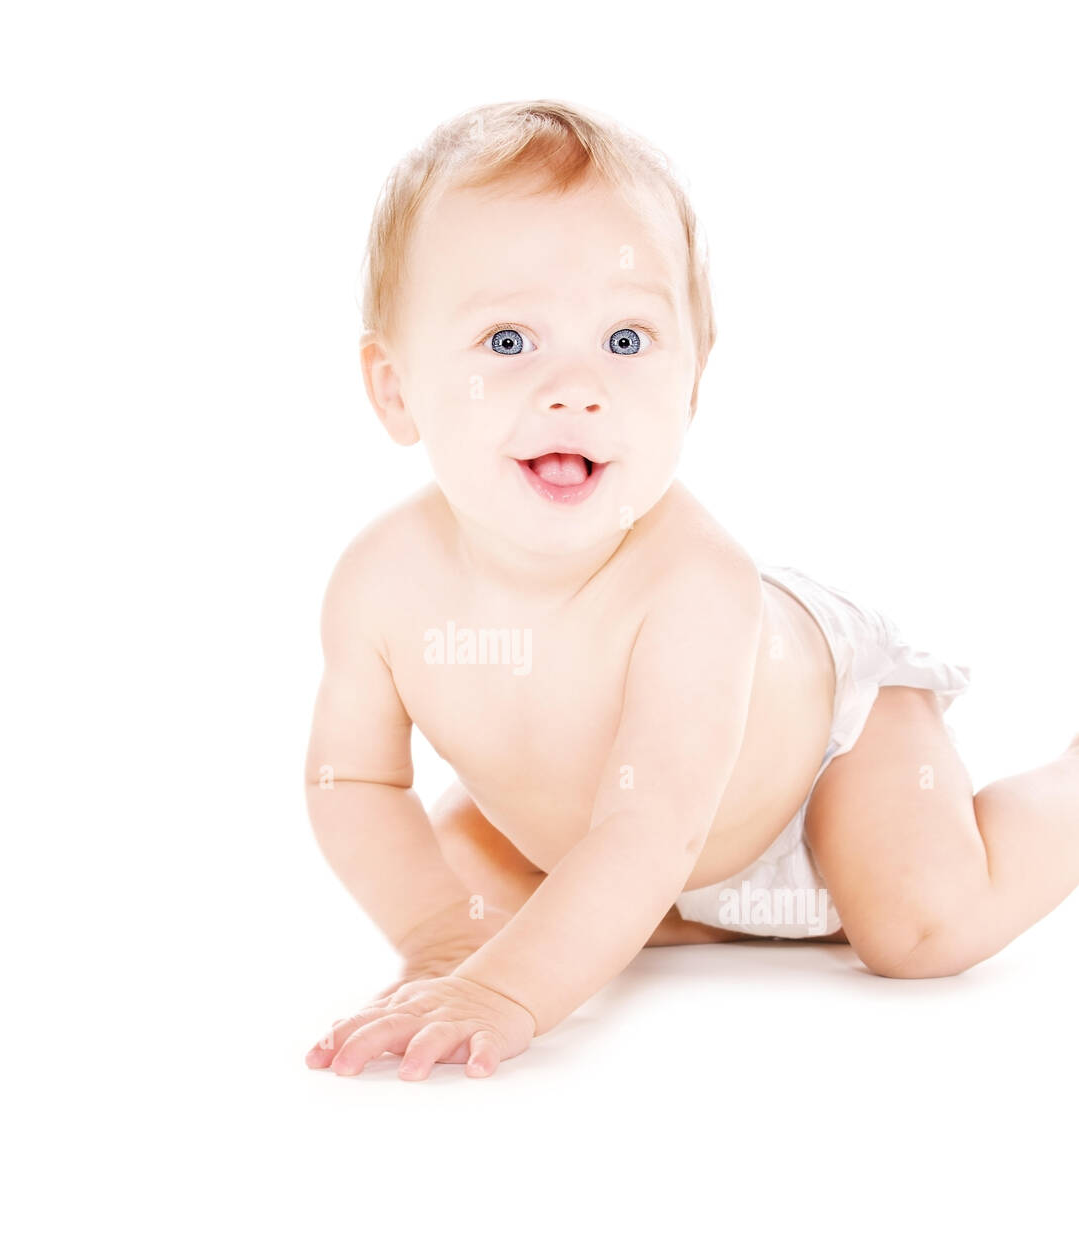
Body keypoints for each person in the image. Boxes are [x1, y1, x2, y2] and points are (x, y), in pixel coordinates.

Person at [304, 99, 1079, 1080]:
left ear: (693, 381)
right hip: (642, 837)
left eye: (627, 342)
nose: (577, 387)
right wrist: (444, 942)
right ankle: (700, 915)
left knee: (922, 924)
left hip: (826, 755)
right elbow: (356, 783)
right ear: (396, 390)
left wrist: (505, 990)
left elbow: (650, 824)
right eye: (509, 341)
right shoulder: (380, 582)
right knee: (478, 891)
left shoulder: (691, 584)